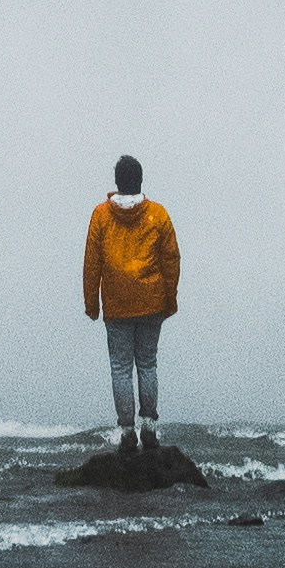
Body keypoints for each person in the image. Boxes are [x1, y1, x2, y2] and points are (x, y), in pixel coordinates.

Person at [81, 153, 178, 447]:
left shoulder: (101, 215)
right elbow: (171, 259)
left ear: (117, 182)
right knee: (147, 363)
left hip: (117, 303)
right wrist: (169, 299)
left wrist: (91, 303)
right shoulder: (158, 214)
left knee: (121, 367)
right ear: (140, 181)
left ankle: (126, 432)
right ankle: (148, 426)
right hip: (152, 301)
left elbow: (92, 262)